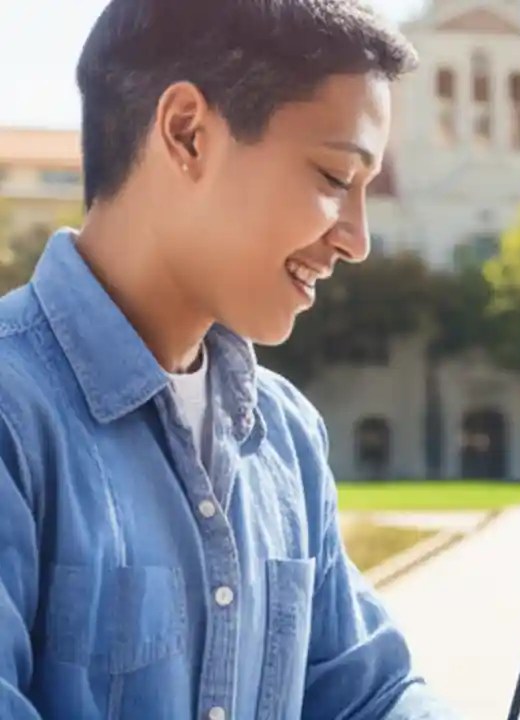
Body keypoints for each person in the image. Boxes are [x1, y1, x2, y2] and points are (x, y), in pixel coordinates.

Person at [0, 1, 457, 718]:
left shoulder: (286, 438)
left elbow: (371, 694)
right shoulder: (14, 420)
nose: (358, 240)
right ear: (187, 133)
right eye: (336, 178)